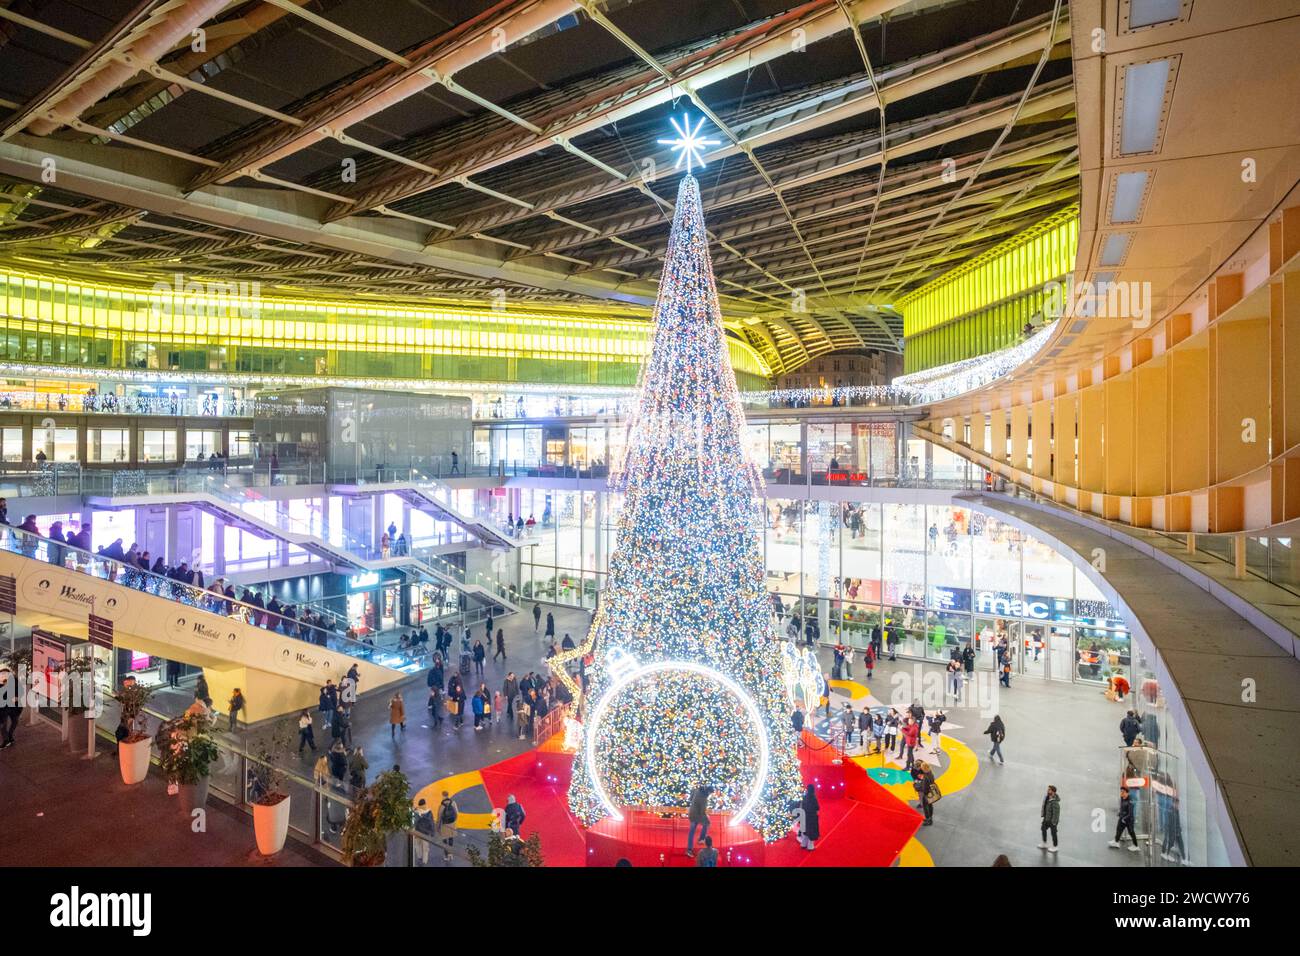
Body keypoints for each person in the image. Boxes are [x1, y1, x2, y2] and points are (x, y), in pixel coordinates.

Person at [685, 783, 714, 858]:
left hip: (692, 813)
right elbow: (702, 811)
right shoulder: (704, 798)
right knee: (707, 823)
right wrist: (706, 816)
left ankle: (689, 849)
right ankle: (701, 839)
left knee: (692, 831)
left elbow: (691, 798)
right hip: (697, 815)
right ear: (708, 792)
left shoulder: (697, 790)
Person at [1109, 786, 1141, 852]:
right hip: (1122, 817)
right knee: (1118, 829)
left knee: (1131, 832)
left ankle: (1136, 846)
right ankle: (1116, 841)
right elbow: (1122, 807)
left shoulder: (1130, 801)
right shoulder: (1122, 798)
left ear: (1127, 793)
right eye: (1121, 791)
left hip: (1129, 820)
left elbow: (1131, 813)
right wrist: (1120, 813)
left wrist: (1124, 819)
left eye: (1123, 792)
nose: (1121, 793)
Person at [0, 666, 21, 749]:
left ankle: (10, 735)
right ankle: (6, 740)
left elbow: (18, 695)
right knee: (2, 725)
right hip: (3, 707)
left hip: (14, 707)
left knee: (15, 721)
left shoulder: (15, 682)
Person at [912, 759, 937, 826]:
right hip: (931, 792)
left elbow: (924, 788)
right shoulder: (930, 772)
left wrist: (916, 785)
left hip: (926, 794)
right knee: (930, 806)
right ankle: (929, 818)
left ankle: (928, 819)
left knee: (926, 807)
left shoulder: (925, 777)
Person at [437, 789, 458, 862]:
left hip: (445, 825)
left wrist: (438, 827)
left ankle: (446, 855)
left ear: (443, 796)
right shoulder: (453, 803)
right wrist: (454, 821)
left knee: (445, 840)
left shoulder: (441, 806)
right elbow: (456, 813)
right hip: (452, 824)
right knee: (451, 839)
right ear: (448, 795)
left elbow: (439, 817)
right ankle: (450, 854)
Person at [1039, 785, 1061, 853]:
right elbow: (1044, 806)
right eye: (1048, 789)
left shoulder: (1055, 802)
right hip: (1046, 818)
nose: (1048, 791)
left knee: (1053, 833)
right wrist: (1044, 815)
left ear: (1053, 792)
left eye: (1049, 790)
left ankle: (1055, 846)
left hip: (1052, 821)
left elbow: (1056, 814)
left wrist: (1054, 822)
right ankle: (1045, 843)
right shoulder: (1047, 798)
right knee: (1043, 829)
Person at [414, 798, 436, 865]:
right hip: (426, 833)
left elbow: (414, 823)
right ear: (425, 804)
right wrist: (432, 832)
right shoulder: (429, 812)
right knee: (425, 848)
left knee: (418, 845)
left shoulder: (416, 812)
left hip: (417, 832)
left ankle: (419, 857)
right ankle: (424, 861)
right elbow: (432, 823)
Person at [799, 784, 820, 850]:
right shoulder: (814, 798)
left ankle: (803, 844)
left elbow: (802, 806)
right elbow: (817, 807)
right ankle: (810, 847)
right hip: (812, 817)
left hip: (804, 816)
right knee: (811, 832)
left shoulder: (804, 797)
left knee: (805, 831)